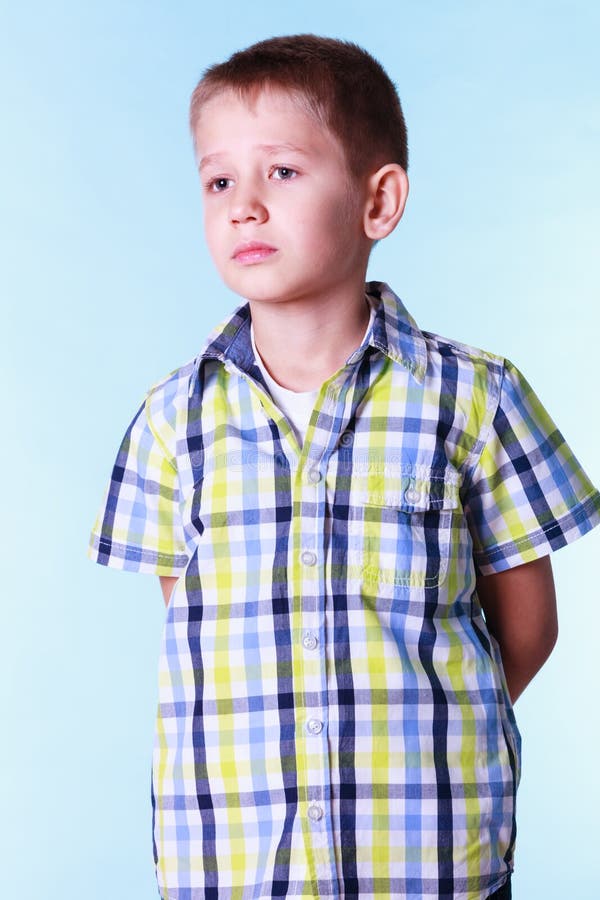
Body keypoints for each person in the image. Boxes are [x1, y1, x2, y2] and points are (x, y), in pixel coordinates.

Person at [88, 34, 600, 900]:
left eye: (281, 172)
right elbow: (202, 635)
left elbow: (527, 629)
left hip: (429, 855)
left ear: (379, 200)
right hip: (236, 861)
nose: (244, 207)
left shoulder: (474, 398)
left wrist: (417, 724)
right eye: (219, 182)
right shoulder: (173, 420)